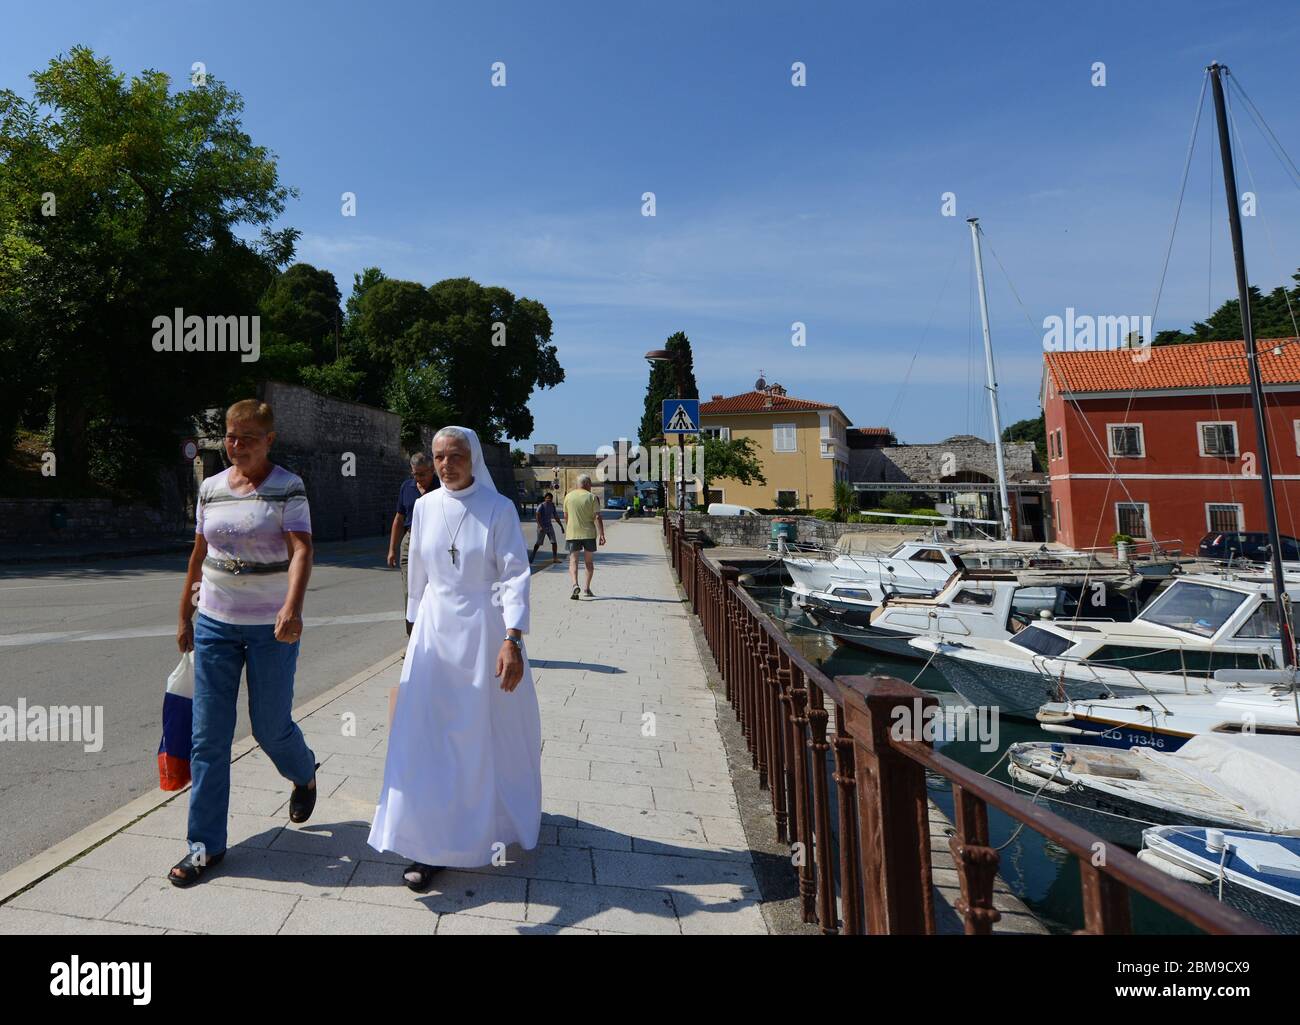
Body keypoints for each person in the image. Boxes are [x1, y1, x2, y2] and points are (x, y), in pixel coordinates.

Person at [368, 425, 540, 890]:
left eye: (455, 455)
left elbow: (514, 576)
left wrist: (512, 639)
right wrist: (412, 629)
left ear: (473, 457)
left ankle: (482, 825)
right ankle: (427, 843)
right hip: (433, 633)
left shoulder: (498, 509)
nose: (446, 464)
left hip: (483, 633)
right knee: (424, 733)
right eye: (439, 456)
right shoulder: (423, 507)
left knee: (478, 734)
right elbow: (418, 572)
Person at [171, 399, 317, 886]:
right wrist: (185, 612)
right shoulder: (211, 488)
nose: (237, 446)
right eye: (232, 437)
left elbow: (301, 550)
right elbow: (199, 552)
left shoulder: (288, 486)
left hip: (272, 626)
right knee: (208, 737)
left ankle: (303, 773)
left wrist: (292, 607)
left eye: (249, 438)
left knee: (269, 728)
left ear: (269, 439)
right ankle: (204, 846)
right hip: (215, 620)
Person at [387, 453, 436, 636]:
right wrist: (392, 549)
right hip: (410, 540)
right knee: (410, 592)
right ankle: (413, 640)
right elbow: (399, 519)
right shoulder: (406, 487)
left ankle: (434, 637)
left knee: (434, 591)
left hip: (434, 541)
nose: (419, 478)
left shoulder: (442, 487)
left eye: (423, 474)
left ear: (432, 470)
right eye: (416, 474)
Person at [562, 473, 606, 599]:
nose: (591, 486)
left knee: (573, 561)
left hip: (572, 533)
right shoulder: (592, 497)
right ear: (586, 484)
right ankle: (586, 588)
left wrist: (570, 526)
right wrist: (602, 534)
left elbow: (566, 516)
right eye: (590, 484)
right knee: (589, 562)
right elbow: (597, 516)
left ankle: (575, 585)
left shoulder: (568, 497)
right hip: (589, 533)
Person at [530, 491, 563, 564]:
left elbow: (556, 516)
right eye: (547, 498)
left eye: (550, 499)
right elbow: (537, 516)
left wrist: (561, 526)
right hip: (542, 526)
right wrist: (540, 526)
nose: (549, 500)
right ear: (545, 498)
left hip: (549, 526)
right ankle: (532, 555)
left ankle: (555, 558)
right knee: (538, 543)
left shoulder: (552, 506)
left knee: (554, 542)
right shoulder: (541, 505)